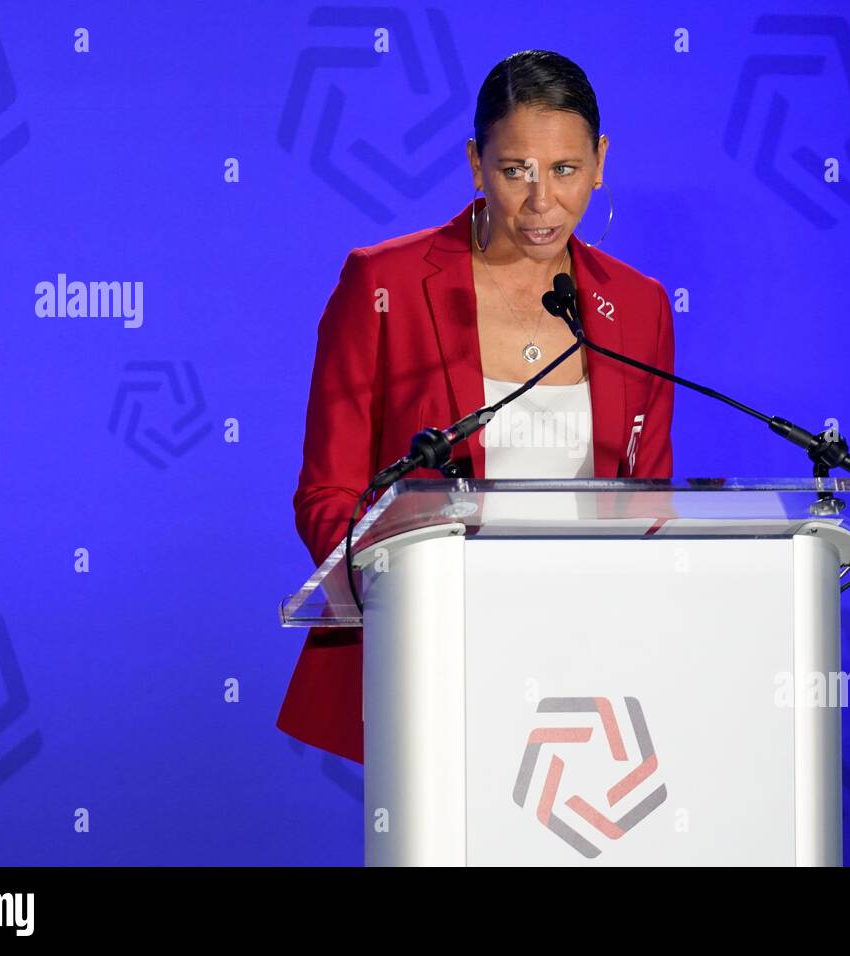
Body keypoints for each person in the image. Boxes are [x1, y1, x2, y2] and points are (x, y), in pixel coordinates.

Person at [277, 50, 676, 763]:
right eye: (514, 169)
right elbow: (327, 494)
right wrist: (406, 593)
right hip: (435, 662)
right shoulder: (384, 286)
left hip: (595, 669)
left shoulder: (639, 307)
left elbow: (648, 501)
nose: (541, 201)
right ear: (475, 162)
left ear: (600, 160)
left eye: (564, 170)